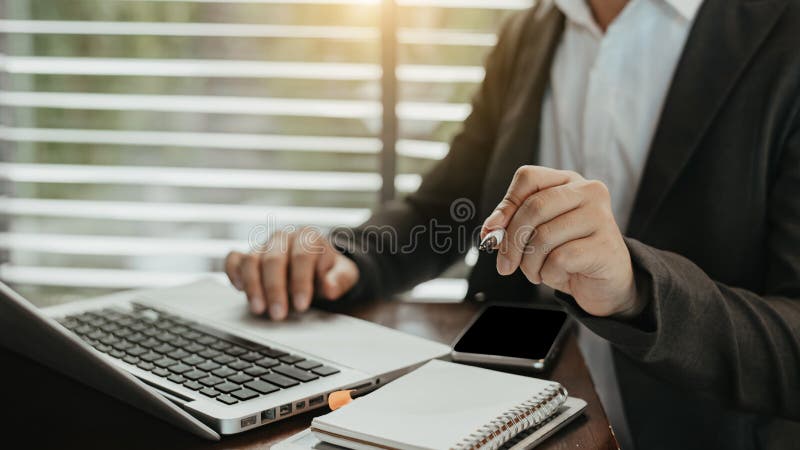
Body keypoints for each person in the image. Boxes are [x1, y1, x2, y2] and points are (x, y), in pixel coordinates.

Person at [224, 0, 800, 448]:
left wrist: (634, 289)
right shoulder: (530, 31)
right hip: (507, 422)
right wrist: (343, 256)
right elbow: (448, 208)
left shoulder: (784, 36)